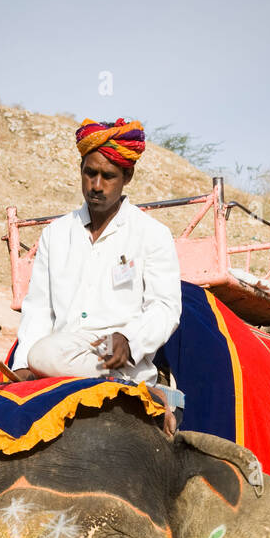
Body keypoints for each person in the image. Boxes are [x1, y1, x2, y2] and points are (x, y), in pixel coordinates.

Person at [13, 117, 182, 387]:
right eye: (90, 173)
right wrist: (23, 365)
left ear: (128, 176)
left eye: (108, 176)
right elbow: (39, 309)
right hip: (60, 356)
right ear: (81, 170)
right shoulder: (55, 234)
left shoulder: (152, 234)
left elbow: (165, 308)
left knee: (44, 354)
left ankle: (128, 383)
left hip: (121, 360)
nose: (97, 186)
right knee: (40, 355)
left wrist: (129, 339)